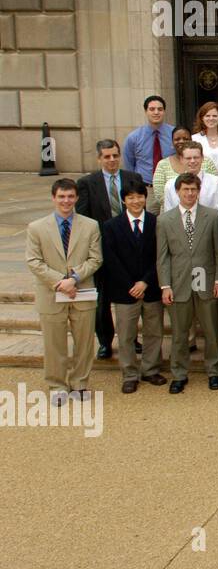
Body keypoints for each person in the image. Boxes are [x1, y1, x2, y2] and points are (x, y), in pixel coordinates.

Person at [27, 178, 103, 405]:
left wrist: (75, 278)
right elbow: (34, 261)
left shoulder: (90, 225)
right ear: (53, 198)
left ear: (77, 198)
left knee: (84, 343)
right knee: (54, 343)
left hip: (82, 292)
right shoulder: (36, 228)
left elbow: (95, 258)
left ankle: (80, 384)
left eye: (70, 196)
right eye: (61, 196)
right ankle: (57, 385)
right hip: (52, 294)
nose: (66, 201)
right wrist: (62, 281)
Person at [76, 138, 145, 360]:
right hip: (102, 248)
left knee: (131, 296)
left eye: (115, 155)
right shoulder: (88, 183)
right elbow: (83, 217)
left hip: (131, 247)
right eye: (107, 156)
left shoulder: (132, 178)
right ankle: (105, 341)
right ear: (99, 158)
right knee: (102, 299)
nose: (112, 160)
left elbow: (138, 208)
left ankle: (132, 338)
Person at [156, 173, 218, 392]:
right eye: (185, 189)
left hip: (206, 281)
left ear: (199, 191)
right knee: (179, 333)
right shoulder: (164, 220)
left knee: (211, 331)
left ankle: (214, 371)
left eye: (193, 189)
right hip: (179, 283)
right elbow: (163, 256)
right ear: (177, 192)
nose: (189, 193)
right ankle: (179, 373)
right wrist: (165, 285)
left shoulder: (212, 216)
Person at [100, 180, 164, 393]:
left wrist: (145, 281)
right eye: (131, 198)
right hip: (124, 290)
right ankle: (129, 374)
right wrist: (131, 284)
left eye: (140, 197)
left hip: (151, 287)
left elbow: (161, 256)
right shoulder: (111, 226)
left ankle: (150, 370)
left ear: (146, 199)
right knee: (126, 335)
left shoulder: (157, 223)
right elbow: (111, 259)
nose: (136, 201)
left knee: (153, 331)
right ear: (124, 200)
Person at [150, 126, 218, 212]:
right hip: (173, 214)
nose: (181, 141)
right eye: (177, 139)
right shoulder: (162, 165)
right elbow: (160, 195)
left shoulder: (206, 161)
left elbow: (215, 187)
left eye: (185, 138)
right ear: (172, 142)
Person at [122, 95, 176, 183]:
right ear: (146, 111)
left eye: (160, 109)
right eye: (152, 109)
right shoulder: (133, 137)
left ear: (164, 111)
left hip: (171, 185)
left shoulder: (175, 134)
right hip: (145, 187)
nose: (156, 112)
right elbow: (129, 165)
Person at [162, 141, 218, 212]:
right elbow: (169, 214)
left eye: (196, 157)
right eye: (188, 158)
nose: (192, 161)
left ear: (202, 158)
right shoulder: (170, 185)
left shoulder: (216, 183)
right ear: (181, 159)